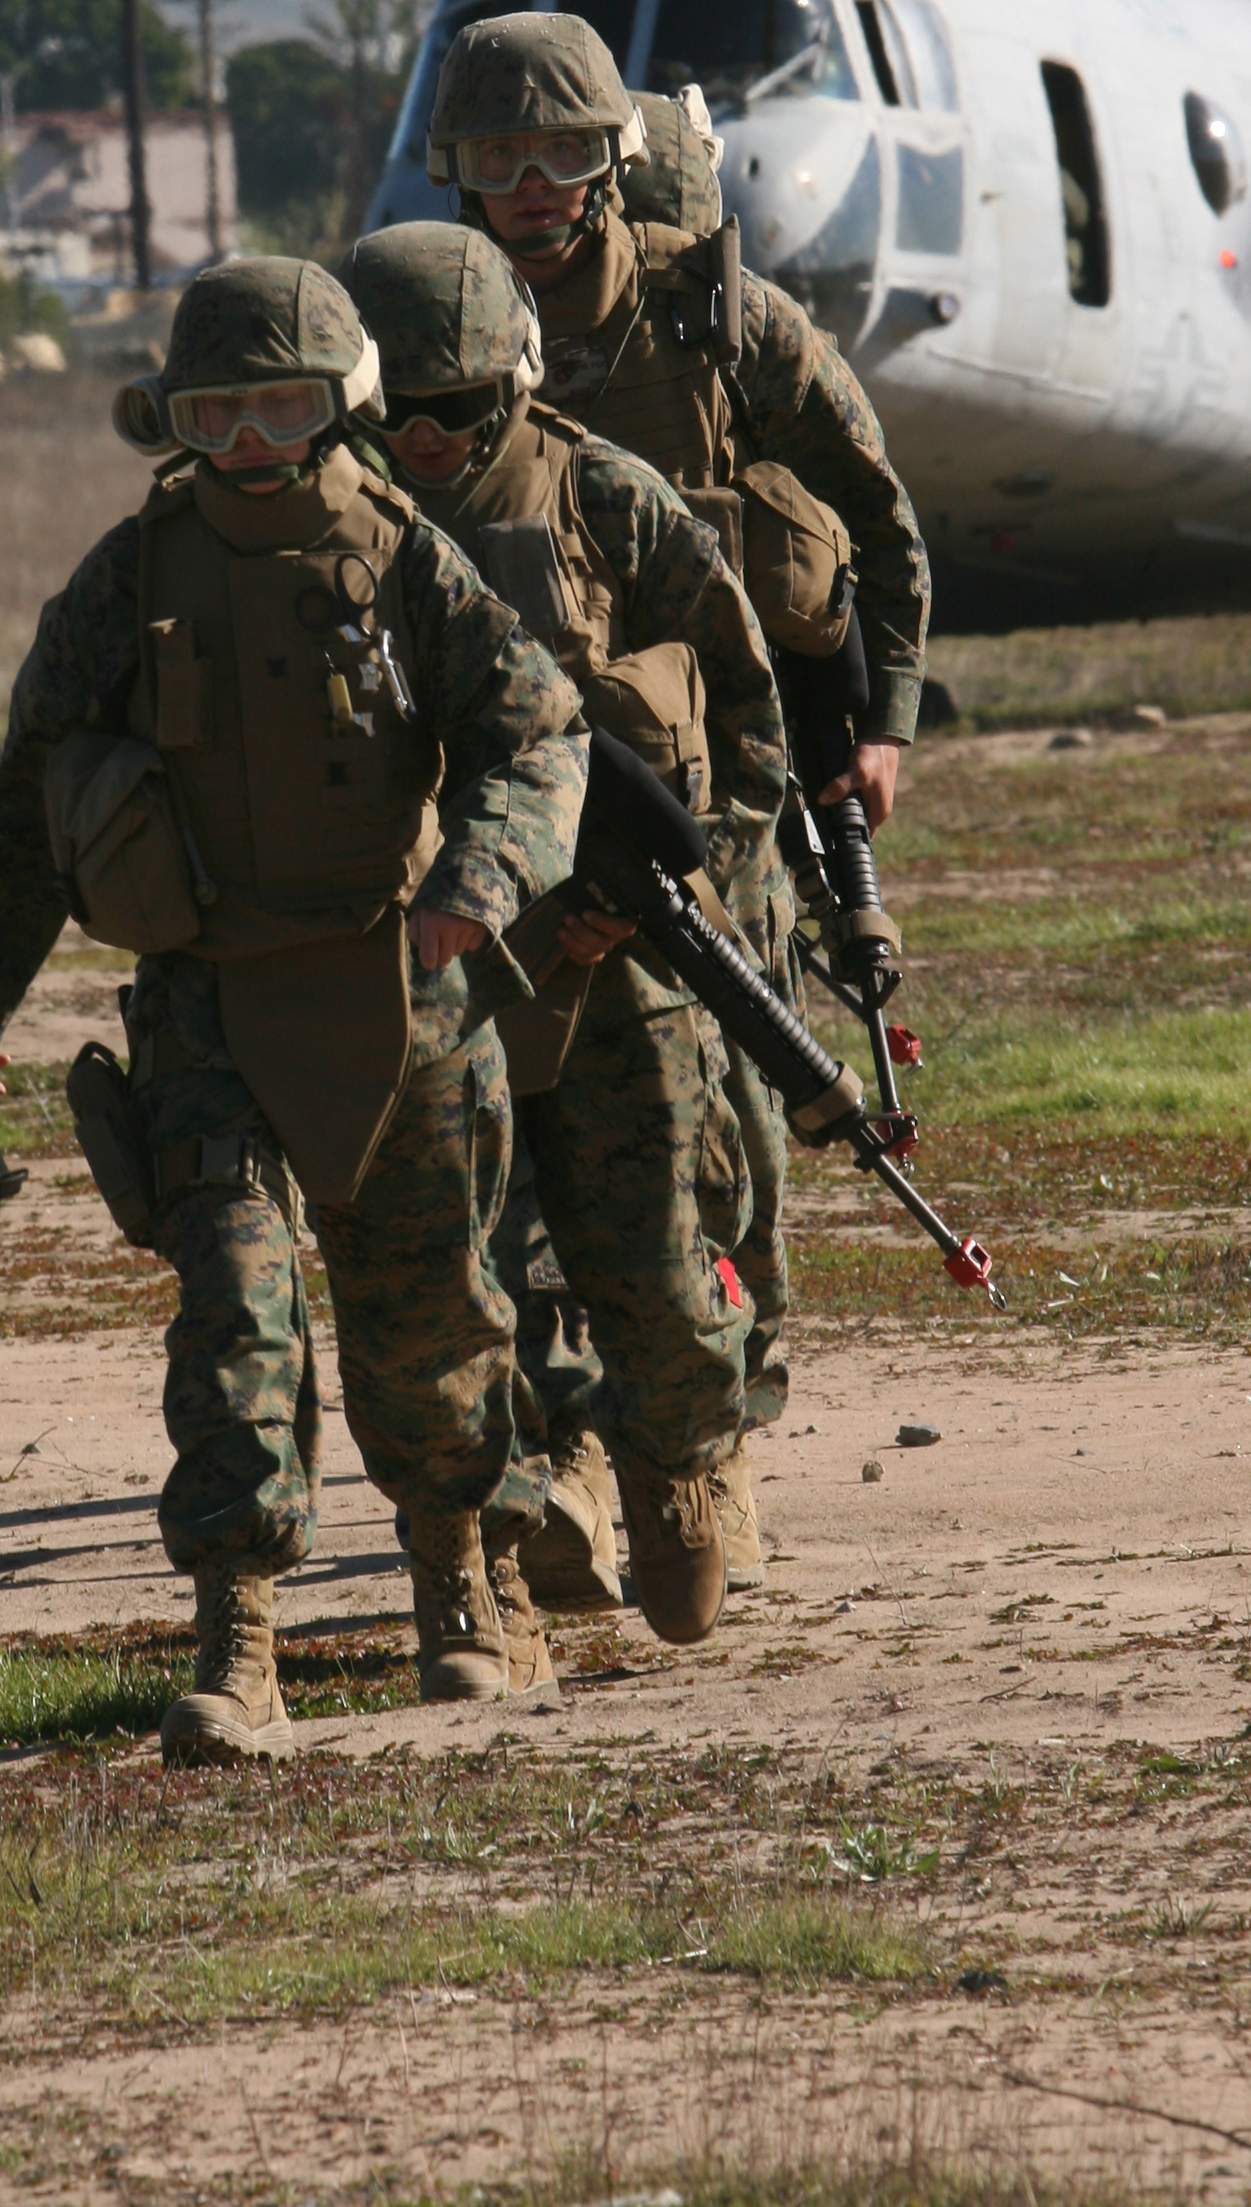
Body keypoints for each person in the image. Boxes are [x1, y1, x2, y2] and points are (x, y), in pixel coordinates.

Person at [0, 255, 589, 1763]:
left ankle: (465, 1595)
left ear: (343, 406)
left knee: (436, 1323)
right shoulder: (131, 577)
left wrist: (476, 888)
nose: (245, 441)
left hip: (404, 994)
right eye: (213, 410)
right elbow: (34, 793)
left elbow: (539, 735)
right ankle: (240, 1641)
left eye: (280, 406)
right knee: (236, 1314)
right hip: (208, 1008)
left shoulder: (409, 554)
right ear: (167, 417)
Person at [424, 13, 932, 1531]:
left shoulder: (723, 325)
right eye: (496, 157)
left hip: (723, 798)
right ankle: (564, 1437)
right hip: (492, 810)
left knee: (726, 1127)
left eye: (562, 153)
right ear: (456, 169)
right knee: (511, 1128)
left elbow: (877, 521)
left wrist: (882, 725)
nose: (529, 184)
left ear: (610, 161)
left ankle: (715, 1429)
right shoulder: (424, 330)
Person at [344, 219, 788, 1642]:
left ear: (518, 386)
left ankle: (682, 1462)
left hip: (614, 962)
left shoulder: (609, 500)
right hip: (439, 975)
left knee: (657, 1276)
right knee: (466, 1281)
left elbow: (748, 724)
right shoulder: (325, 530)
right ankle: (531, 1515)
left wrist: (679, 885)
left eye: (459, 413)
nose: (424, 442)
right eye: (391, 415)